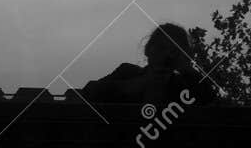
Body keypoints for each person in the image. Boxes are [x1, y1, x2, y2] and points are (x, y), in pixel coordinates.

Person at [81, 23, 216, 105]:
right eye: (161, 48)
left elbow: (211, 105)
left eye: (173, 51)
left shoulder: (183, 86)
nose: (165, 56)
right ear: (148, 49)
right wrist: (128, 87)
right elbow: (86, 94)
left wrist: (187, 70)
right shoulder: (127, 73)